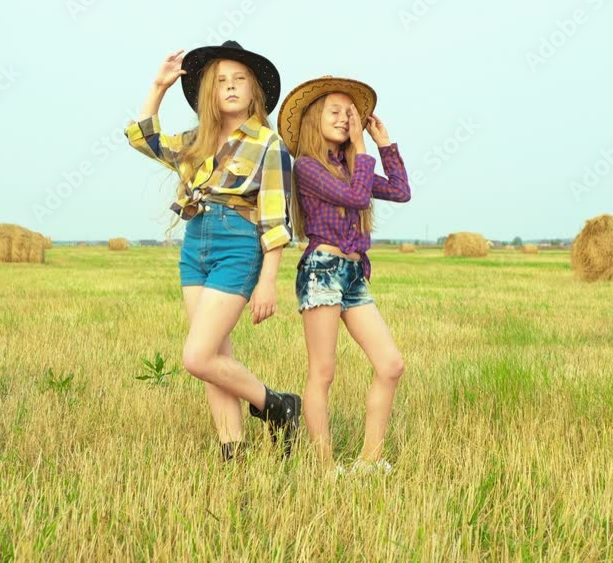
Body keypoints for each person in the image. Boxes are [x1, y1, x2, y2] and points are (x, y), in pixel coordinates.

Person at [124, 41, 300, 460]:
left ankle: (277, 405)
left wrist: (268, 281)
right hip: (195, 245)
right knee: (216, 354)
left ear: (255, 91)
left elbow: (275, 220)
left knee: (197, 356)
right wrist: (159, 85)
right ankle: (231, 451)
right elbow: (142, 139)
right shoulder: (196, 141)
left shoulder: (268, 144)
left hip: (237, 244)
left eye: (240, 79)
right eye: (222, 81)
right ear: (210, 92)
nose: (232, 87)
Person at [277, 76, 411, 472]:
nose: (344, 117)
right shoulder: (306, 167)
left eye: (349, 112)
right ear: (315, 118)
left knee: (390, 364)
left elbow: (401, 191)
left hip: (353, 273)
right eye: (334, 111)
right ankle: (323, 468)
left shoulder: (354, 166)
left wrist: (385, 145)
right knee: (323, 371)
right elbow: (355, 196)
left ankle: (369, 463)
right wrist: (360, 148)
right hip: (322, 270)